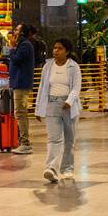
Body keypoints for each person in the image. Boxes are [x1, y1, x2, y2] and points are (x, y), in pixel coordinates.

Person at [36, 38, 81, 183]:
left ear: (67, 51)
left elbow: (76, 87)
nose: (55, 51)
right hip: (52, 104)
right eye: (54, 48)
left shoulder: (74, 67)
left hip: (69, 106)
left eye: (60, 48)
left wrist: (69, 101)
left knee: (69, 140)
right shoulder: (47, 67)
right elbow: (42, 88)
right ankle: (51, 168)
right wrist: (38, 108)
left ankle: (67, 169)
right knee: (54, 139)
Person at [9, 23, 38, 155]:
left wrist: (12, 47)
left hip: (21, 83)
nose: (14, 32)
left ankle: (25, 143)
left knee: (20, 113)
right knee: (21, 112)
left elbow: (16, 60)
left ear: (22, 33)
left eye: (17, 30)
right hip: (18, 82)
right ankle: (23, 142)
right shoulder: (24, 45)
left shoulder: (25, 45)